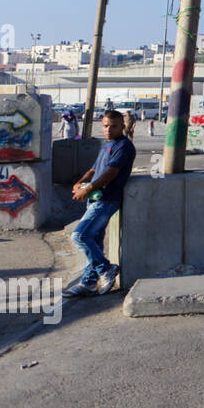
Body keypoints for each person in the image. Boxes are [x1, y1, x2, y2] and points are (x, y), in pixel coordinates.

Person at [68, 110, 136, 296]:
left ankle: (106, 268)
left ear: (122, 126)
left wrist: (87, 189)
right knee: (93, 241)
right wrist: (80, 183)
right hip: (95, 198)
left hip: (107, 200)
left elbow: (111, 172)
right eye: (106, 126)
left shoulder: (123, 146)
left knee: (80, 236)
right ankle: (89, 283)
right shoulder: (106, 145)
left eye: (113, 126)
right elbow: (94, 169)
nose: (109, 130)